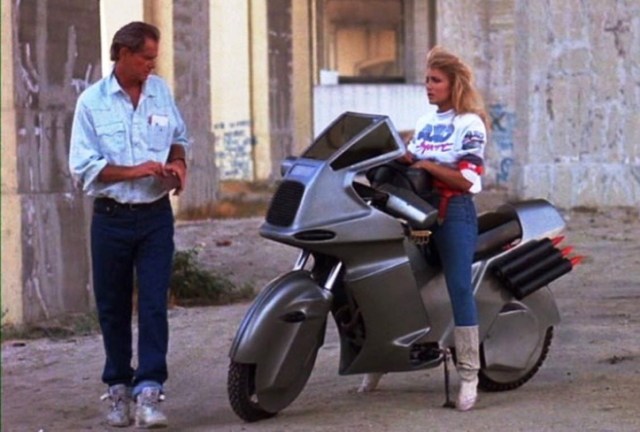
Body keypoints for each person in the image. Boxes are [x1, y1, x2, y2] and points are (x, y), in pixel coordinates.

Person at [69, 21, 189, 428]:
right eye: (146, 58)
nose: (152, 65)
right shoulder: (92, 103)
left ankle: (150, 390)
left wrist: (178, 165)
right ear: (123, 53)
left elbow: (179, 137)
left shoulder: (160, 92)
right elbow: (83, 167)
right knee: (113, 307)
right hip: (111, 219)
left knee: (154, 305)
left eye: (154, 58)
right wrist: (134, 170)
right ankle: (119, 388)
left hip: (155, 217)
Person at [359, 46, 488, 412]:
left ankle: (469, 375)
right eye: (427, 80)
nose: (428, 86)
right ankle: (380, 359)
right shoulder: (427, 121)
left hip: (453, 212)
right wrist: (399, 156)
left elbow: (468, 180)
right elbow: (413, 161)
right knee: (393, 285)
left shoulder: (470, 124)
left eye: (435, 80)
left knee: (459, 287)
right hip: (416, 213)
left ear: (453, 84)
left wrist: (428, 166)